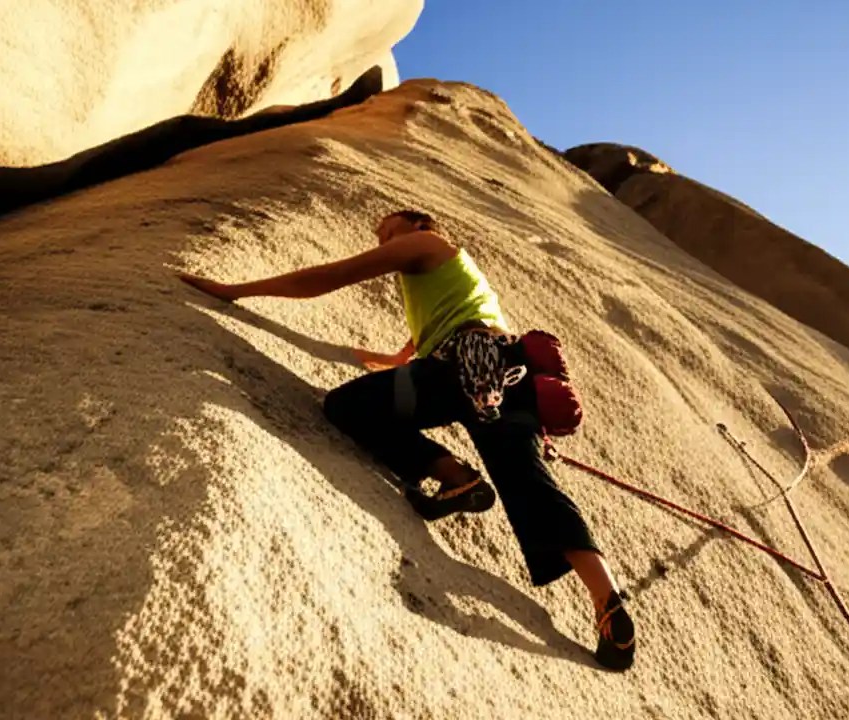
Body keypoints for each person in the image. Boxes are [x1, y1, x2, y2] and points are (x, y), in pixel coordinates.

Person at [177, 209, 636, 669]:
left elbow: (327, 278)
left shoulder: (428, 245)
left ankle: (454, 474)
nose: (380, 239)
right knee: (531, 483)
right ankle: (608, 604)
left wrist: (234, 291)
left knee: (346, 406)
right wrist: (381, 358)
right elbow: (407, 354)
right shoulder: (454, 282)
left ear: (419, 225)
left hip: (459, 369)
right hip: (502, 377)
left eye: (387, 230)